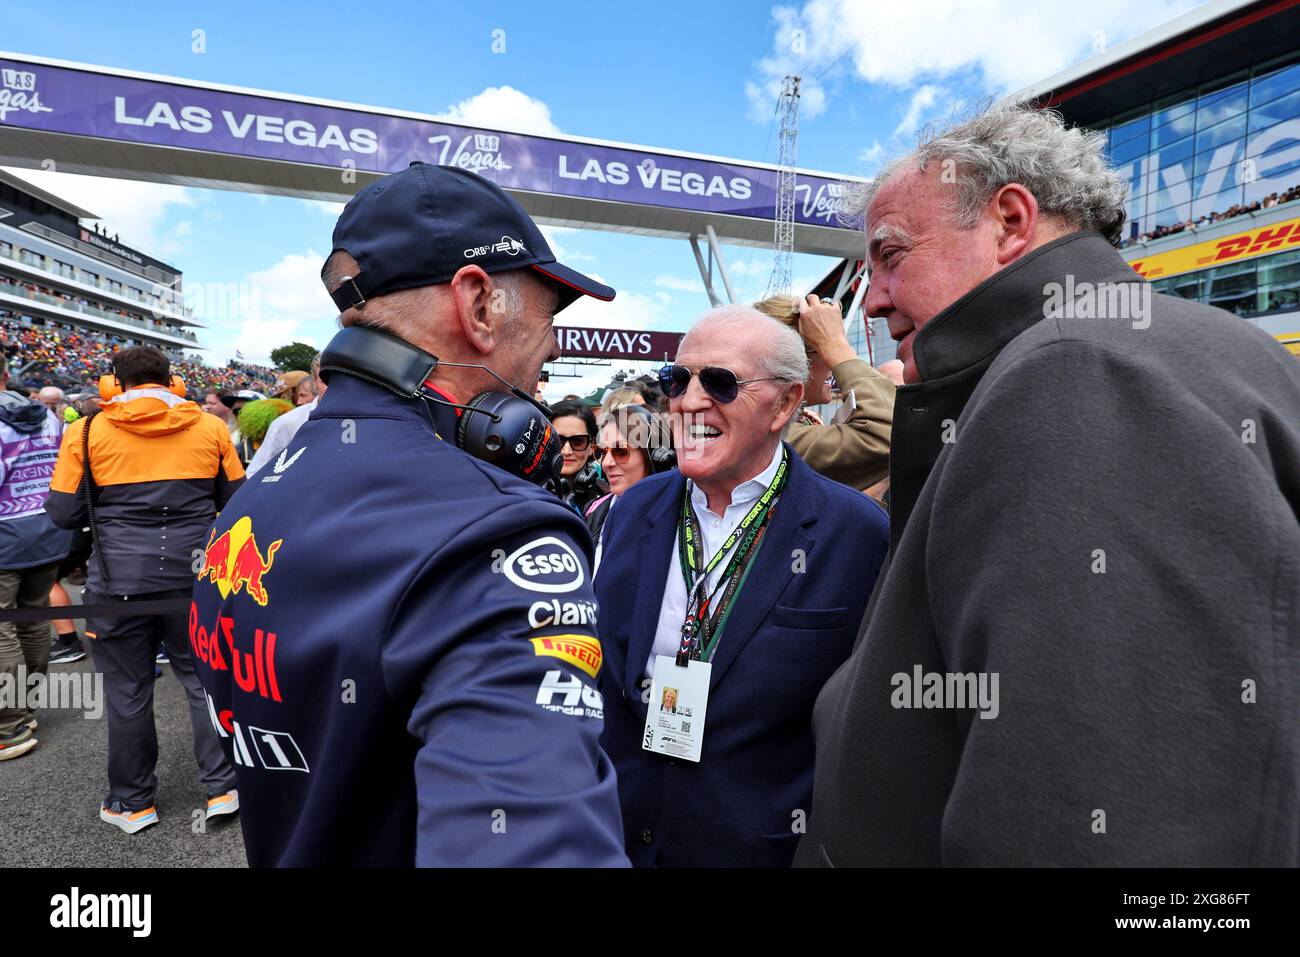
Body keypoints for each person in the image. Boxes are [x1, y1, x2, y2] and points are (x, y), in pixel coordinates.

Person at [796, 104, 1300, 868]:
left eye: (890, 255)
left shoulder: (1076, 372)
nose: (870, 298)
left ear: (1009, 221)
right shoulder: (1169, 346)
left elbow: (1106, 817)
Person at [191, 161, 627, 867]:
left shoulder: (260, 490)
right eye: (551, 317)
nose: (551, 350)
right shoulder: (496, 530)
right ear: (479, 305)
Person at [594, 305, 889, 867]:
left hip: (758, 852)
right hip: (618, 840)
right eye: (677, 380)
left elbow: (864, 726)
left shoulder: (854, 532)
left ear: (784, 403)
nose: (690, 401)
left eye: (721, 382)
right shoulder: (630, 513)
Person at [44, 346, 243, 833]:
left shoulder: (85, 430)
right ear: (173, 381)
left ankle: (132, 803)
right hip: (197, 579)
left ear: (114, 384)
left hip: (117, 583)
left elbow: (62, 513)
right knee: (202, 682)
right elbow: (237, 501)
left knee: (127, 692)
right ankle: (223, 788)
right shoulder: (211, 427)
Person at [0, 355, 72, 760]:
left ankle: (8, 726)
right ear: (7, 374)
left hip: (7, 532)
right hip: (46, 529)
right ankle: (24, 711)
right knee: (30, 620)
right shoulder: (48, 418)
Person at [754, 293, 894, 491]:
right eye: (822, 348)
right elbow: (888, 435)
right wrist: (835, 345)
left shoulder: (780, 427)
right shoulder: (771, 435)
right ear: (795, 361)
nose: (831, 362)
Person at [585, 404, 673, 558]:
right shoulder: (594, 510)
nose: (606, 463)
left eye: (620, 451)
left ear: (654, 455)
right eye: (602, 452)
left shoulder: (682, 513)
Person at [245, 360, 328, 480]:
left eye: (302, 395)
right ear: (314, 383)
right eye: (324, 381)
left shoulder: (361, 421)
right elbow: (254, 475)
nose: (298, 401)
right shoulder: (288, 422)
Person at [548, 398, 607, 515]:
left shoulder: (608, 498)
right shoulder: (523, 491)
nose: (566, 451)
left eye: (578, 441)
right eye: (558, 440)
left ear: (592, 446)